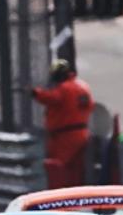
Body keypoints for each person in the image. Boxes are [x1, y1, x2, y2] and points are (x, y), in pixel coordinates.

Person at [32, 59, 94, 189]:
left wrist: (36, 93)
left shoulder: (65, 88)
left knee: (59, 167)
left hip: (65, 136)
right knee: (77, 168)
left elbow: (51, 98)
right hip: (82, 133)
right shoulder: (83, 87)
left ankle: (61, 196)